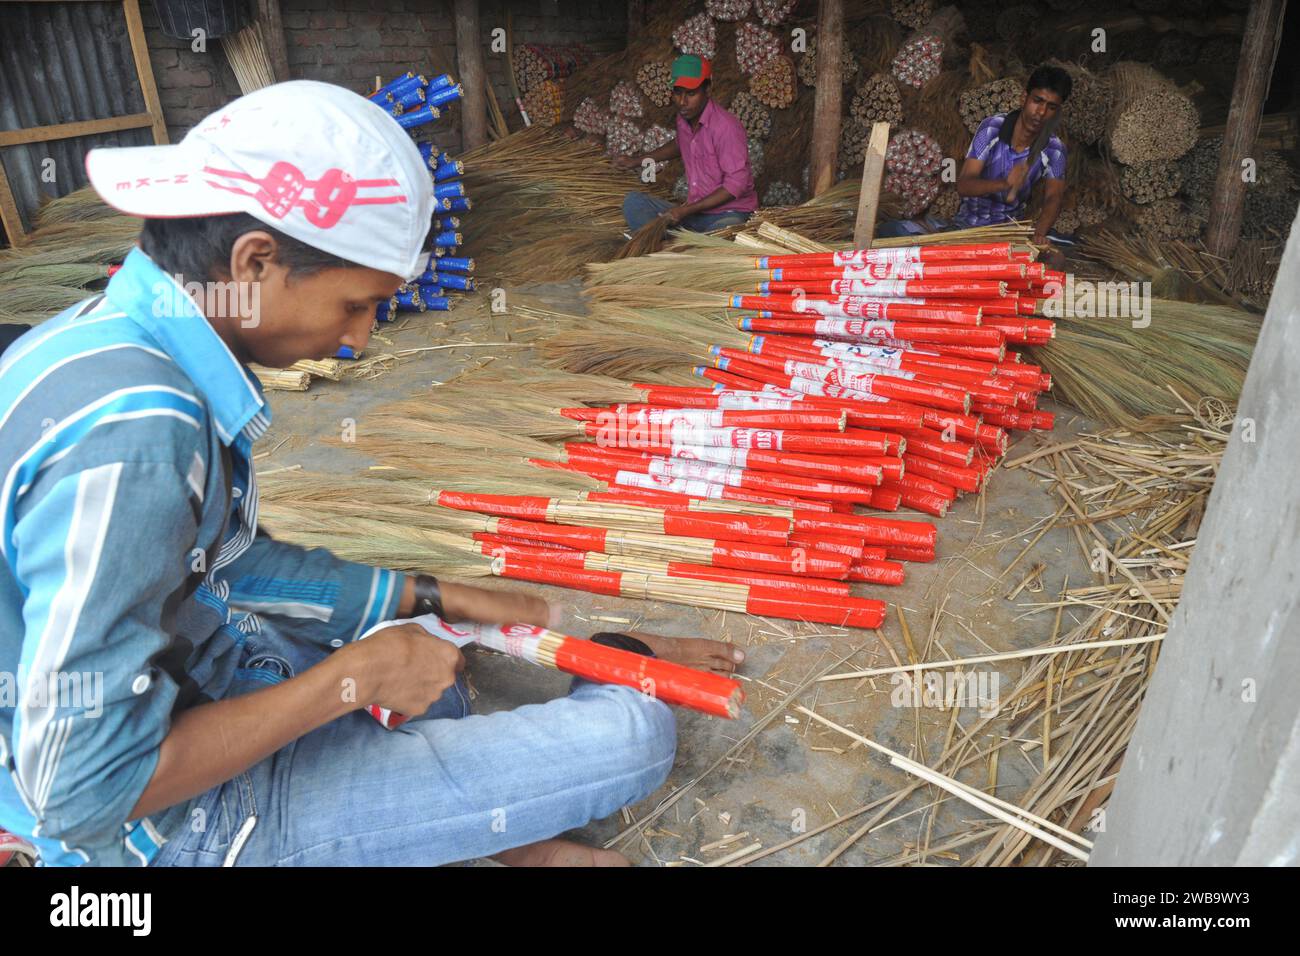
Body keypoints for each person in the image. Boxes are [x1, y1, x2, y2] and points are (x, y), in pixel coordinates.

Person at [0, 80, 743, 868]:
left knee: (428, 652)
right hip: (170, 824)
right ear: (256, 262)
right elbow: (80, 790)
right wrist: (348, 681)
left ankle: (437, 826)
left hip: (204, 678)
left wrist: (427, 593)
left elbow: (227, 559)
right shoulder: (137, 437)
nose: (357, 341)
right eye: (356, 305)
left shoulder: (113, 340)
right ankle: (456, 822)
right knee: (631, 738)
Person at [877, 65, 1072, 266]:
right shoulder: (992, 128)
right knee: (891, 231)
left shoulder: (1054, 149)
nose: (1041, 112)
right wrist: (1004, 183)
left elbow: (1053, 198)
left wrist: (1039, 235)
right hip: (966, 228)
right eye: (1037, 101)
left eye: (1051, 107)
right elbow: (964, 185)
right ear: (1024, 98)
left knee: (1056, 259)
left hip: (1008, 235)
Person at [615, 54, 758, 234]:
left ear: (708, 90)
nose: (682, 101)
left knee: (722, 234)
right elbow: (680, 144)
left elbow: (736, 184)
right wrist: (637, 161)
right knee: (634, 202)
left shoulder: (726, 127)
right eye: (678, 92)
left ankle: (674, 244)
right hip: (694, 215)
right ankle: (679, 244)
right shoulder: (684, 119)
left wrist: (685, 210)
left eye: (691, 93)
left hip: (727, 215)